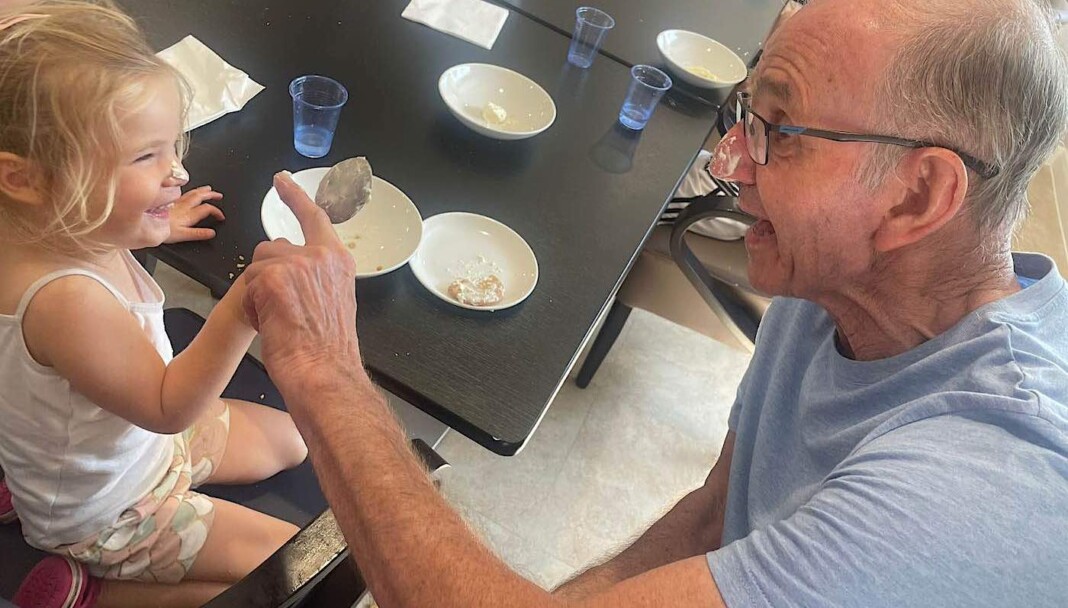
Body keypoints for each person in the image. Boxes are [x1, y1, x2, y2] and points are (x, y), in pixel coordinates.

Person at [242, 0, 1068, 605]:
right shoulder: (835, 287)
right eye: (747, 113)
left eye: (780, 129)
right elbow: (721, 509)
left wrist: (324, 368)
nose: (732, 161)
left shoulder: (979, 488)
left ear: (917, 196)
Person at [0, 2, 307, 607]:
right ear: (26, 180)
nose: (178, 171)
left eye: (172, 146)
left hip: (124, 445)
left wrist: (149, 225)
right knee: (286, 572)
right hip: (107, 506)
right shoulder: (64, 301)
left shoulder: (45, 227)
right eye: (146, 157)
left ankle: (29, 488)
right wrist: (243, 305)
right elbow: (167, 406)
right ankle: (88, 594)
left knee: (292, 443)